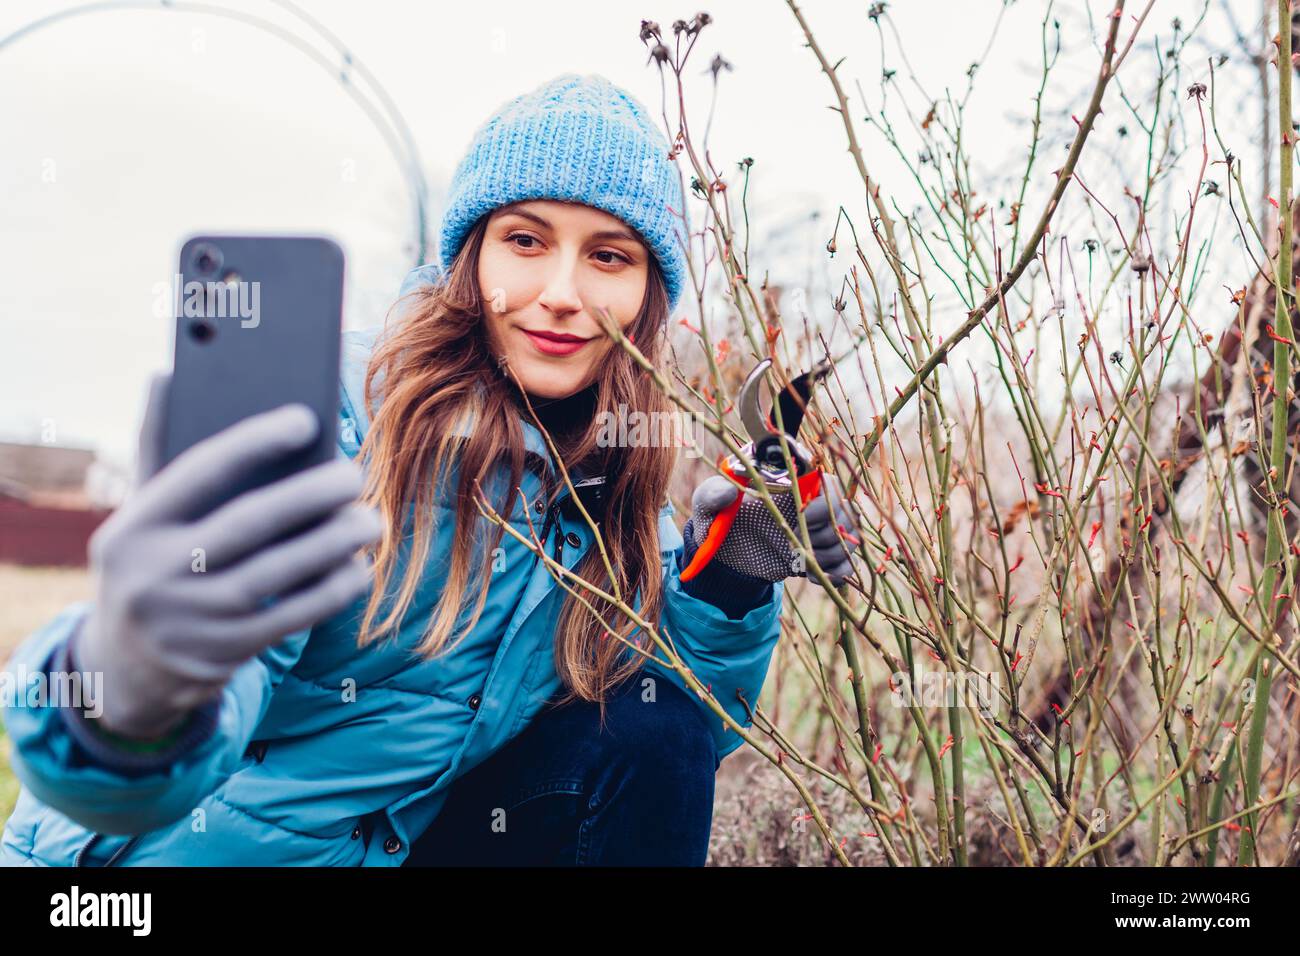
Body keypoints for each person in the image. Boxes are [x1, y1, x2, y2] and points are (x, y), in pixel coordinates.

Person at [0, 73, 858, 867]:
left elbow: (664, 753)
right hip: (159, 861)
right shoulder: (339, 421)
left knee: (655, 729)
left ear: (647, 296)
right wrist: (138, 687)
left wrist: (733, 585)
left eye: (608, 256)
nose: (562, 291)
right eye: (526, 240)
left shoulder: (609, 486)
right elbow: (179, 726)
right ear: (471, 258)